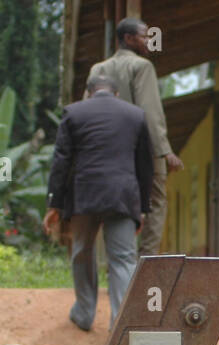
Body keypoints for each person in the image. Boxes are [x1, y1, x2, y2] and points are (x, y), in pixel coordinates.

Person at [44, 75, 153, 332]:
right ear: (116, 94)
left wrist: (54, 204)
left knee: (82, 251)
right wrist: (142, 209)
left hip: (84, 195)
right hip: (122, 196)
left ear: (88, 92)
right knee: (124, 259)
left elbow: (61, 161)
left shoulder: (73, 113)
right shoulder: (135, 115)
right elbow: (145, 166)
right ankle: (121, 326)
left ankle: (83, 313)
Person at [89, 17, 184, 257]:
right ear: (129, 38)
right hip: (144, 148)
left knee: (114, 204)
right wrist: (165, 151)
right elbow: (149, 112)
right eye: (145, 36)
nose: (149, 41)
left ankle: (116, 261)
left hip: (108, 152)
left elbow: (87, 110)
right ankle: (145, 261)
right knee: (156, 202)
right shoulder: (142, 67)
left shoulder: (97, 69)